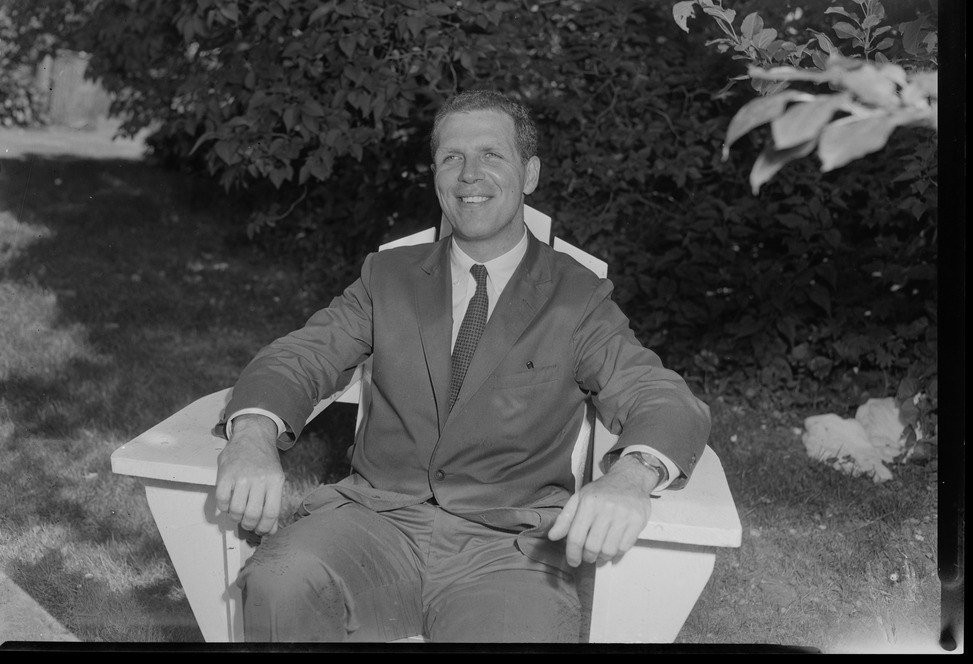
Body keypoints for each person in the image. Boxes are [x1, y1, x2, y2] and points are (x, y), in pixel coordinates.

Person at [215, 89, 711, 643]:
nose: (469, 174)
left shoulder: (575, 298)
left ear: (530, 174)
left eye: (491, 155)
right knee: (280, 583)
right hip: (375, 523)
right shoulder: (389, 278)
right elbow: (298, 357)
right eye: (452, 157)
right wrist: (253, 437)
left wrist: (628, 478)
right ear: (435, 177)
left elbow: (660, 397)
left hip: (508, 551)